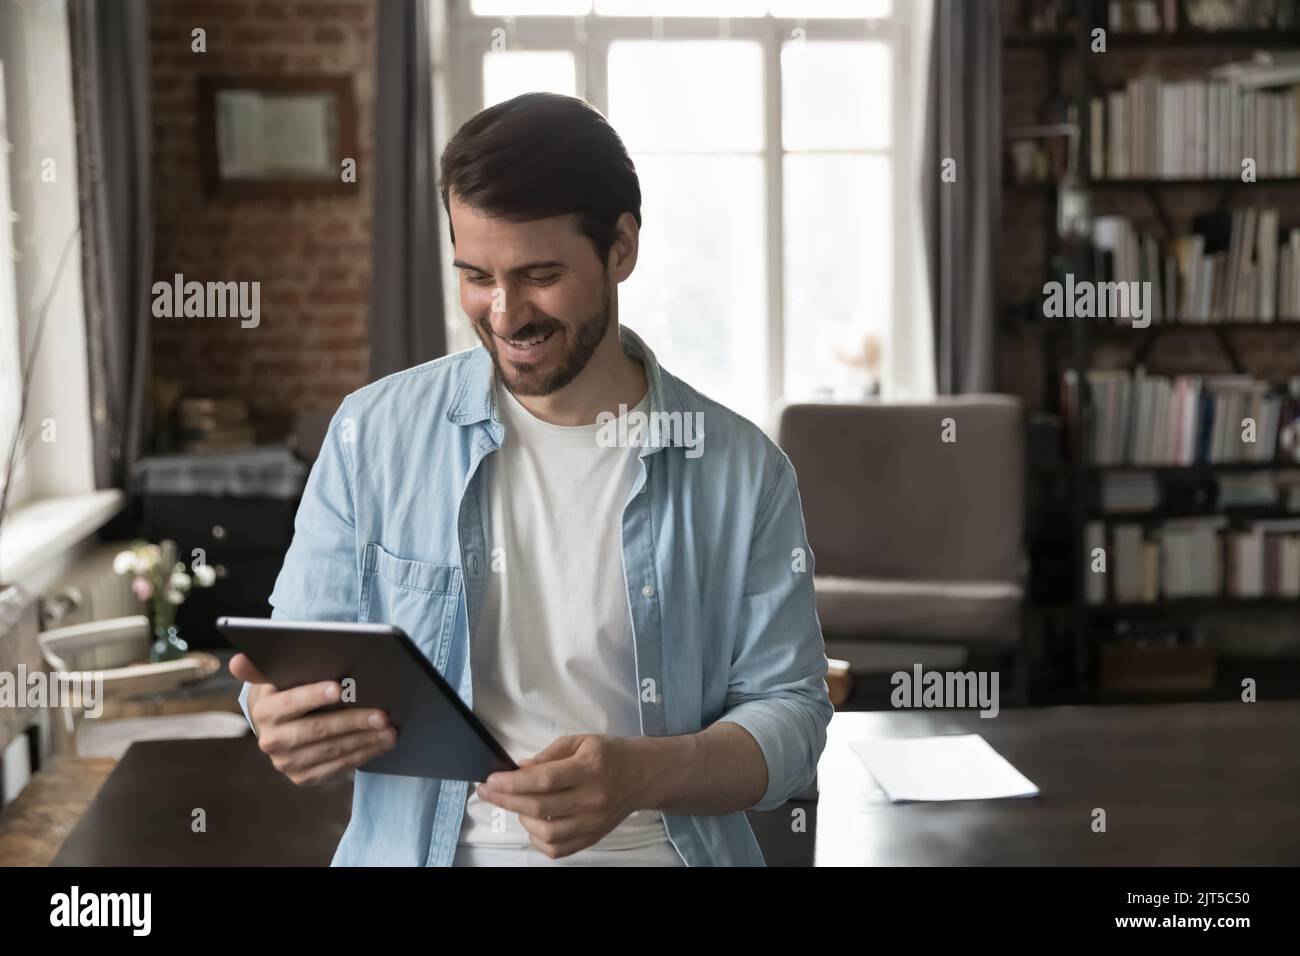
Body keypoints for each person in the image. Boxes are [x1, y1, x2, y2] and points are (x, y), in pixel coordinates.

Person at [231, 92, 832, 867]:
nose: (505, 313)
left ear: (621, 249)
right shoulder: (369, 437)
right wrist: (278, 716)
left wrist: (645, 773)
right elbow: (287, 671)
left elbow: (793, 719)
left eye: (540, 274)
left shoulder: (744, 470)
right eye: (475, 275)